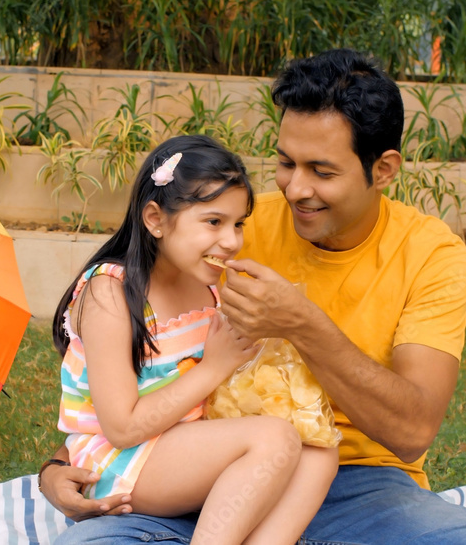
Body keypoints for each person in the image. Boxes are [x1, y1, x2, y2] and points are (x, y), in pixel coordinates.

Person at [41, 49, 466, 544]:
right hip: (213, 475)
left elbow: (414, 429)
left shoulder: (428, 253)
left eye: (322, 171)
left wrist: (303, 324)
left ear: (383, 170)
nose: (295, 189)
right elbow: (124, 365)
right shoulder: (229, 225)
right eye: (286, 163)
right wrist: (56, 469)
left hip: (361, 486)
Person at [50, 134, 338, 544]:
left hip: (184, 447)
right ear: (155, 219)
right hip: (122, 459)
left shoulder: (207, 288)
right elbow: (123, 427)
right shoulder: (109, 294)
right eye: (213, 222)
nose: (232, 240)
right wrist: (215, 367)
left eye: (238, 224)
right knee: (272, 438)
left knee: (319, 452)